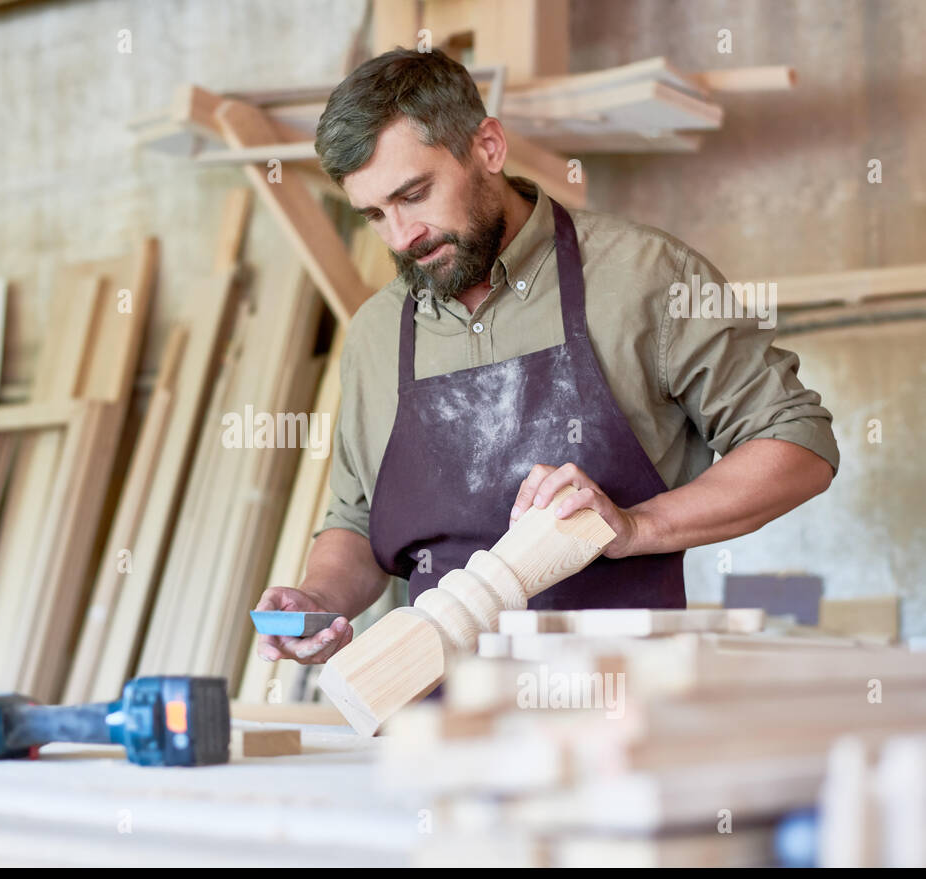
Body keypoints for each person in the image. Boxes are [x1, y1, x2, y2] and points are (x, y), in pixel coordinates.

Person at [254, 48, 838, 665]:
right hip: (434, 720)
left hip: (619, 711)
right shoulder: (375, 333)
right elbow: (356, 520)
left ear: (489, 147)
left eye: (416, 194)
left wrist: (637, 527)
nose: (401, 237)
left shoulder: (645, 277)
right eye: (375, 214)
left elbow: (798, 443)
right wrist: (316, 599)